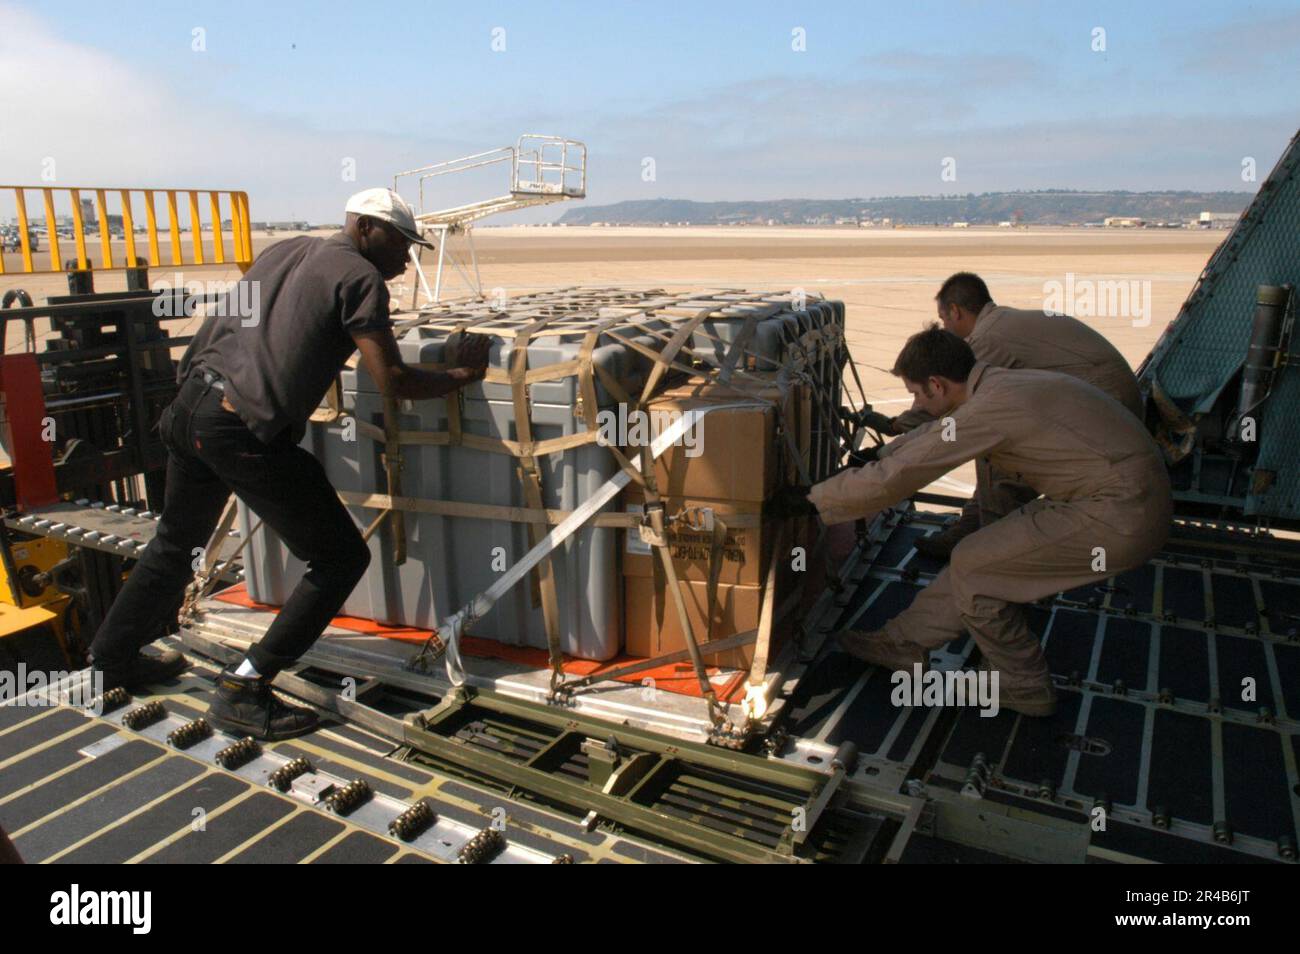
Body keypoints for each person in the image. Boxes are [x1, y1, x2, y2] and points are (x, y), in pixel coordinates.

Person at [89, 188, 492, 740]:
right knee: (339, 560)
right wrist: (463, 377)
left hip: (189, 410)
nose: (406, 259)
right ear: (365, 228)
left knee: (175, 543)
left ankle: (112, 660)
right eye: (401, 243)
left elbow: (229, 327)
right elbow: (393, 382)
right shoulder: (360, 279)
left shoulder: (285, 250)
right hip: (238, 428)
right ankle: (244, 688)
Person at [771, 325, 1171, 716]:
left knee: (976, 566)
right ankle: (902, 642)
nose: (917, 405)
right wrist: (875, 457)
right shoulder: (998, 386)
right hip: (1118, 496)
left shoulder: (990, 408)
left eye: (916, 394)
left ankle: (1023, 683)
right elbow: (931, 437)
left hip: (1119, 511)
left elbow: (904, 475)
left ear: (937, 384)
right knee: (979, 557)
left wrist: (812, 500)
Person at [884, 272, 1144, 559]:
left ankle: (991, 550)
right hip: (1112, 411)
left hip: (1107, 423)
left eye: (943, 319)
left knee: (996, 451)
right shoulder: (1004, 322)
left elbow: (945, 393)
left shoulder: (987, 339)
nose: (944, 326)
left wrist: (894, 427)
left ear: (955, 311)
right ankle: (970, 530)